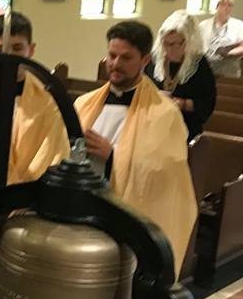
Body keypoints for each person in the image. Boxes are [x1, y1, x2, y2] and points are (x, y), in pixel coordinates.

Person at [75, 21, 196, 274]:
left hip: (124, 222)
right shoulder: (84, 104)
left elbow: (167, 175)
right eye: (112, 55)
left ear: (145, 60)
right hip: (83, 215)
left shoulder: (164, 114)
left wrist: (113, 156)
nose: (115, 64)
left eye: (126, 58)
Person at [0, 12, 70, 182]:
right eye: (1, 49)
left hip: (31, 197)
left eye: (17, 48)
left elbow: (52, 156)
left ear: (31, 50)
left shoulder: (48, 103)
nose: (9, 57)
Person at [146, 10, 216, 138]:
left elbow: (206, 104)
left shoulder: (199, 65)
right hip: (154, 127)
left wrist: (181, 103)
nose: (168, 49)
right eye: (165, 43)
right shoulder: (155, 60)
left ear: (188, 41)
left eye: (174, 44)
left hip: (185, 129)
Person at [199, 0, 243, 78]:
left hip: (229, 69)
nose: (226, 8)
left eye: (230, 5)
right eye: (223, 4)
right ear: (217, 6)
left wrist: (229, 53)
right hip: (208, 67)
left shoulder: (239, 25)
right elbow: (196, 46)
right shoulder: (203, 25)